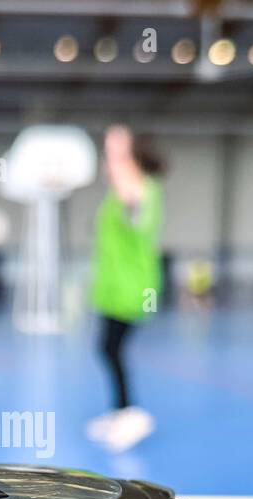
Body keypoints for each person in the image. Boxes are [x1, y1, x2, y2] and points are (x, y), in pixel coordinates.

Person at [85, 124, 164, 454]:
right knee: (108, 348)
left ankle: (131, 413)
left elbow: (132, 198)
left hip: (133, 290)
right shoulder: (118, 195)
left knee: (111, 349)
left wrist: (118, 153)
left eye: (115, 157)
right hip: (113, 289)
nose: (108, 162)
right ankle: (121, 411)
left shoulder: (142, 191)